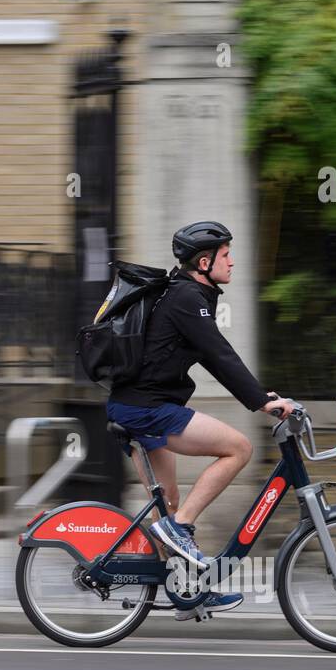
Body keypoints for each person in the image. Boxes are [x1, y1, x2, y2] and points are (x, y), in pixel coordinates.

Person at [107, 220, 295, 618]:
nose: (232, 261)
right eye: (226, 255)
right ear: (205, 261)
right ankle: (181, 529)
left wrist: (262, 396)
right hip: (147, 409)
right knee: (238, 448)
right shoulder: (188, 297)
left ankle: (186, 591)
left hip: (140, 405)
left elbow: (213, 355)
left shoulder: (190, 294)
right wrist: (261, 402)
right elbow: (220, 353)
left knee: (168, 505)